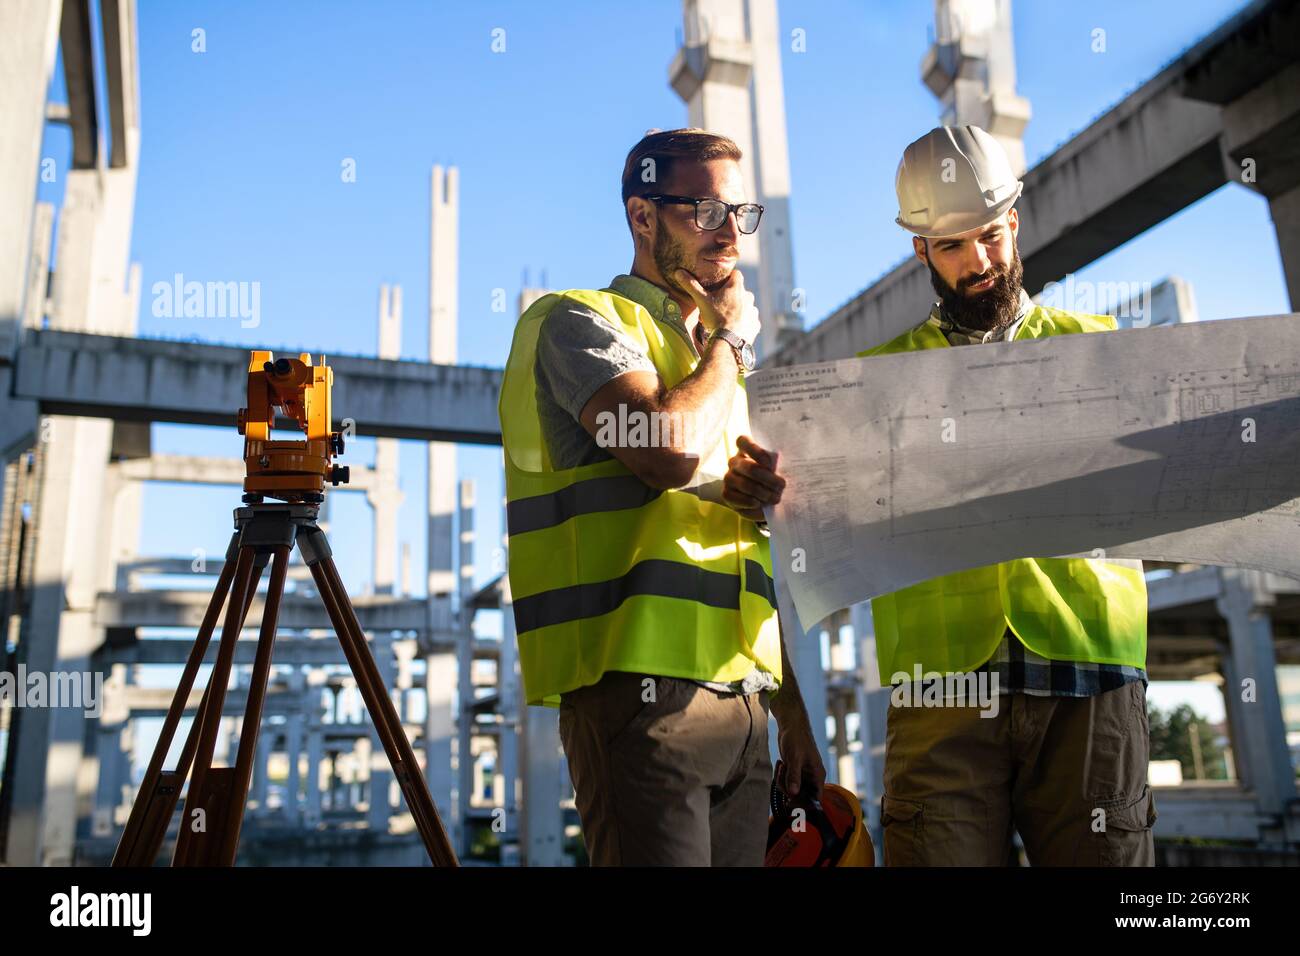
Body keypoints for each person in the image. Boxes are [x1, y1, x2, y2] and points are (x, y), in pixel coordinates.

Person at [733, 125, 1155, 866]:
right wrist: (762, 494)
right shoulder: (871, 385)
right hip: (940, 691)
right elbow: (805, 520)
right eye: (953, 246)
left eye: (990, 236)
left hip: (1089, 675)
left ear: (1014, 224)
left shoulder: (1099, 347)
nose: (981, 262)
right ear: (921, 251)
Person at [498, 127, 824, 866]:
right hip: (637, 699)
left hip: (741, 706)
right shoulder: (579, 321)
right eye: (705, 211)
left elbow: (748, 567)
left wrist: (791, 713)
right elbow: (665, 449)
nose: (730, 234)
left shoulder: (717, 374)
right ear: (642, 216)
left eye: (741, 213)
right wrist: (733, 342)